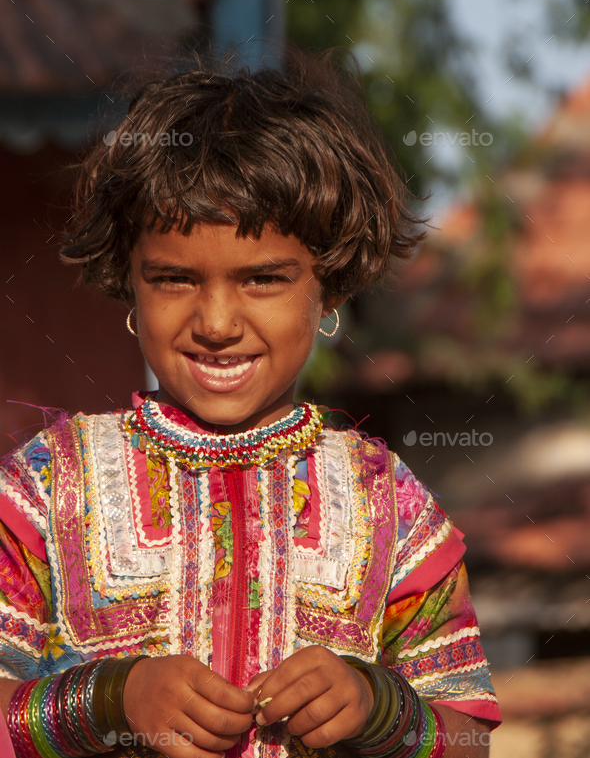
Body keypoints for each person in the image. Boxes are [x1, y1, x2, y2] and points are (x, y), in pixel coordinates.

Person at [0, 49, 501, 758]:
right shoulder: (49, 487)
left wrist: (374, 705)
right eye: (174, 278)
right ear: (131, 285)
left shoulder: (388, 505)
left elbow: (468, 735)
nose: (215, 321)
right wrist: (111, 698)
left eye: (263, 279)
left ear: (327, 289)